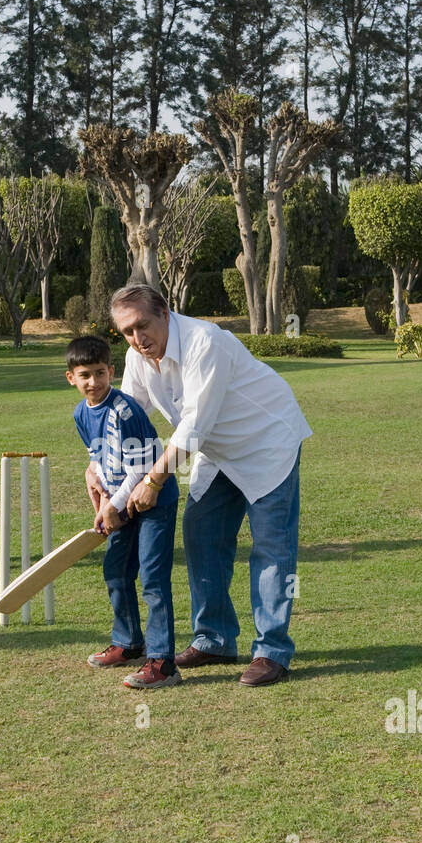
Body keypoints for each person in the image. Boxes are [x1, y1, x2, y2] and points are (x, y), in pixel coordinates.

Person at [106, 285, 311, 688]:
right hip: (217, 452)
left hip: (267, 442)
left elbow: (194, 427)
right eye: (127, 332)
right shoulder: (137, 357)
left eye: (142, 326)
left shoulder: (205, 341)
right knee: (201, 536)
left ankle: (272, 650)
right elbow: (128, 421)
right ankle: (214, 638)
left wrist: (153, 480)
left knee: (270, 546)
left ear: (165, 312)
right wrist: (100, 471)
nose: (137, 339)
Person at [66, 334, 181, 690]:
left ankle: (162, 662)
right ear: (71, 377)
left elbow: (141, 468)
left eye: (100, 373)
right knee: (116, 571)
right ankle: (129, 643)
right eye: (84, 374)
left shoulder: (125, 410)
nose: (93, 382)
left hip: (154, 498)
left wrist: (112, 507)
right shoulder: (80, 413)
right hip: (120, 500)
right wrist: (102, 498)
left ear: (111, 371)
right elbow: (99, 459)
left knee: (152, 577)